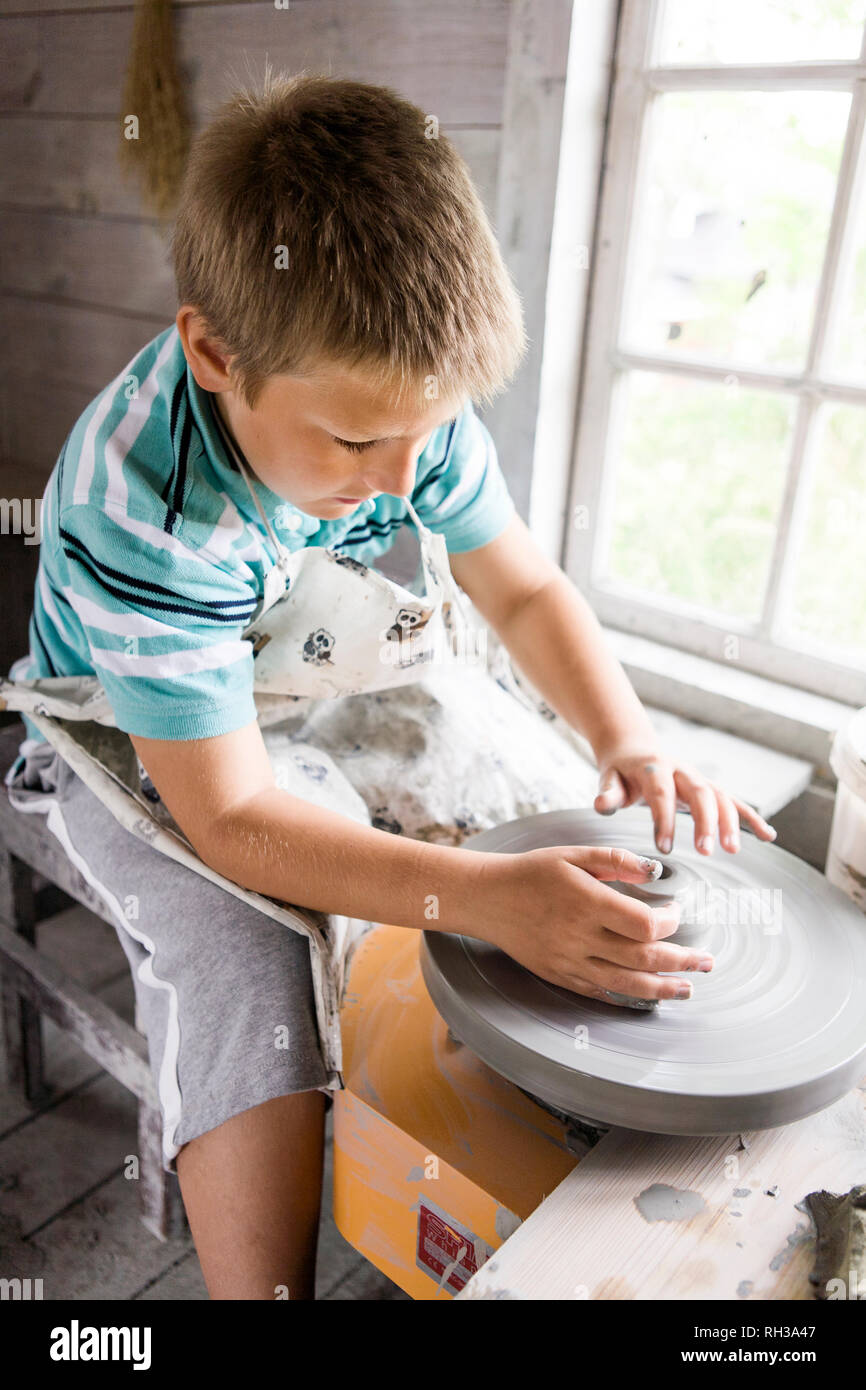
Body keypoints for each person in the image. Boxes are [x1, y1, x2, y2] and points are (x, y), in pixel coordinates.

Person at [5, 70, 775, 1299]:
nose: (402, 473)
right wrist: (476, 900)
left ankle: (525, 1156)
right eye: (358, 443)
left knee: (545, 797)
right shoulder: (142, 508)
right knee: (248, 950)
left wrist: (623, 741)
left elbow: (519, 590)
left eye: (428, 434)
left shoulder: (400, 412)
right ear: (213, 351)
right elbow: (232, 818)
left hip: (302, 660)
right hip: (124, 731)